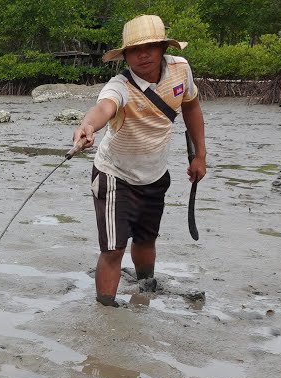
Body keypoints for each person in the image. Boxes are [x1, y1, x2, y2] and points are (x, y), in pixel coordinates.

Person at [72, 15, 206, 307]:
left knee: (147, 239)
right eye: (134, 50)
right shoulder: (119, 85)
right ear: (126, 55)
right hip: (114, 174)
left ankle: (146, 290)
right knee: (113, 250)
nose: (143, 55)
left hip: (155, 175)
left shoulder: (181, 70)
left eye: (150, 47)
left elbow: (192, 107)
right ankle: (106, 309)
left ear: (162, 48)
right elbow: (104, 107)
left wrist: (200, 156)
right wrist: (88, 127)